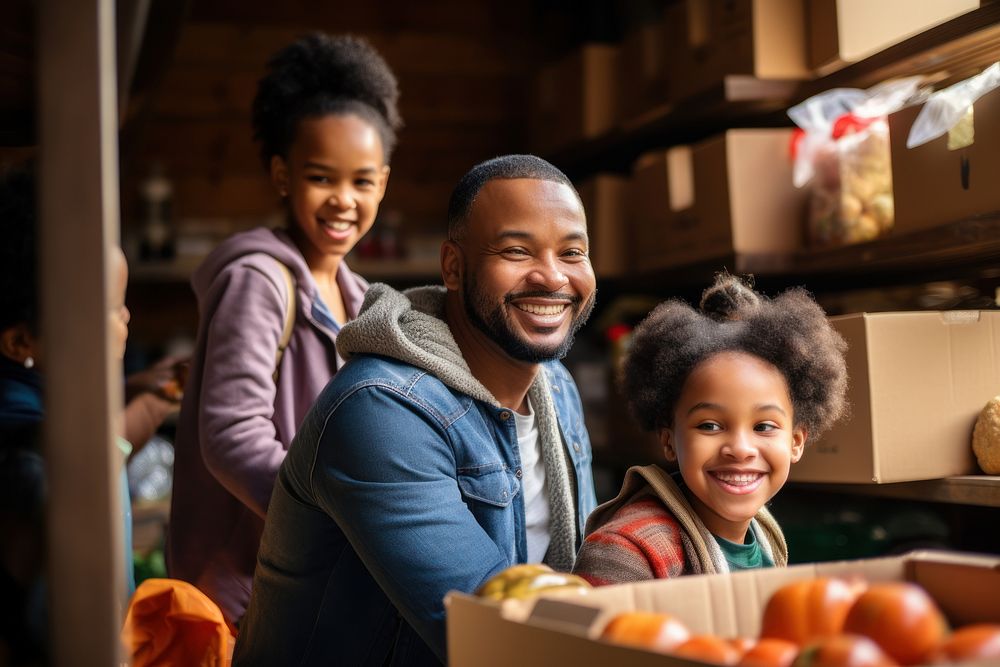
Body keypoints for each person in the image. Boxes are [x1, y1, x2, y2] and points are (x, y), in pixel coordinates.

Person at [233, 154, 598, 665]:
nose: (552, 277)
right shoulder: (380, 410)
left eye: (573, 252)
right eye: (516, 250)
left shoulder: (556, 388)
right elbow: (486, 629)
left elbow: (583, 584)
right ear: (453, 266)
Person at [166, 32, 403, 624]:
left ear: (384, 181)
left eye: (362, 181)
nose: (343, 200)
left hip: (304, 581)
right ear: (282, 174)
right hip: (245, 593)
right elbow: (230, 434)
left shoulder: (356, 296)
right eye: (322, 178)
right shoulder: (260, 281)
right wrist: (326, 520)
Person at [572, 274, 848, 586]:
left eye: (764, 426)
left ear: (796, 441)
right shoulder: (628, 555)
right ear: (669, 440)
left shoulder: (765, 535)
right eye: (710, 425)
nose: (741, 448)